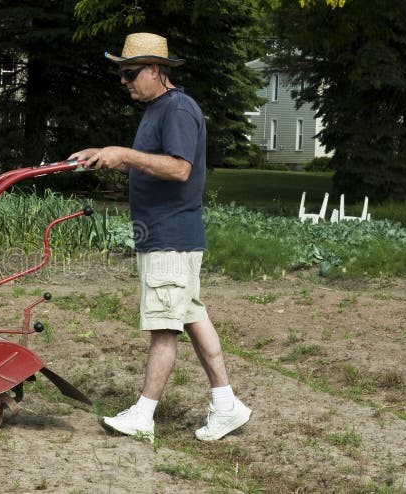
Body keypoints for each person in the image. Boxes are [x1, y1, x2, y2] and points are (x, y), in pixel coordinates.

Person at [68, 32, 251, 443]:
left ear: (155, 70)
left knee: (164, 327)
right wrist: (105, 155)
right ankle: (227, 406)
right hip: (167, 235)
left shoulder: (178, 109)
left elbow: (179, 169)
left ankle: (143, 414)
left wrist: (126, 154)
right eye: (121, 74)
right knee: (190, 316)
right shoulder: (156, 110)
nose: (124, 81)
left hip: (171, 235)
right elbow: (153, 165)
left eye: (130, 73)